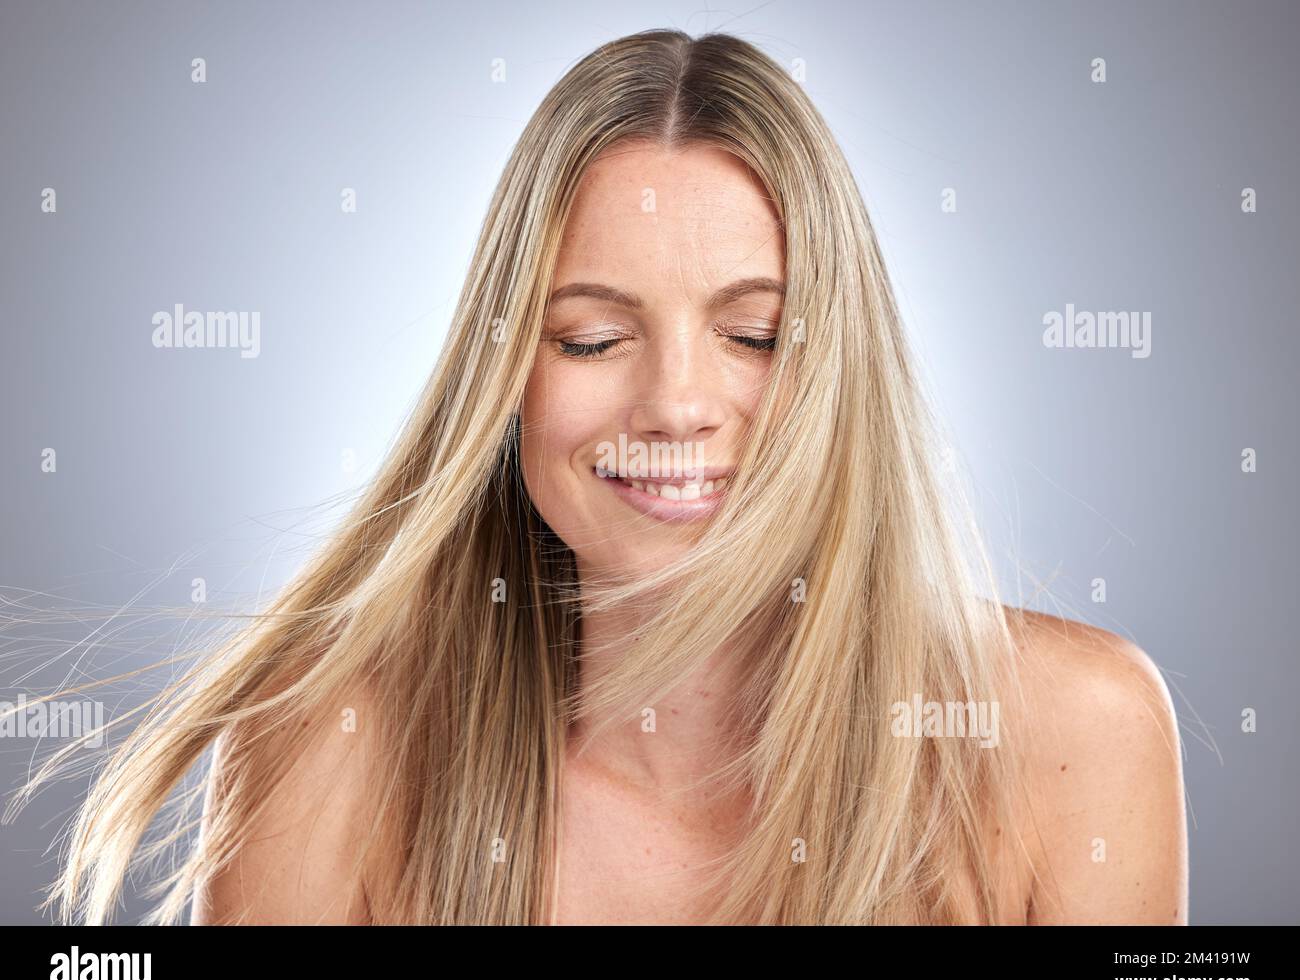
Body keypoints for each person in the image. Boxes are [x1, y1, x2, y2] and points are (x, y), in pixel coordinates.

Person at [43, 28, 1186, 926]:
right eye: (590, 336)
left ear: (845, 370)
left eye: (755, 334)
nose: (677, 404)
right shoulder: (321, 748)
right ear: (504, 378)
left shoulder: (1078, 736)